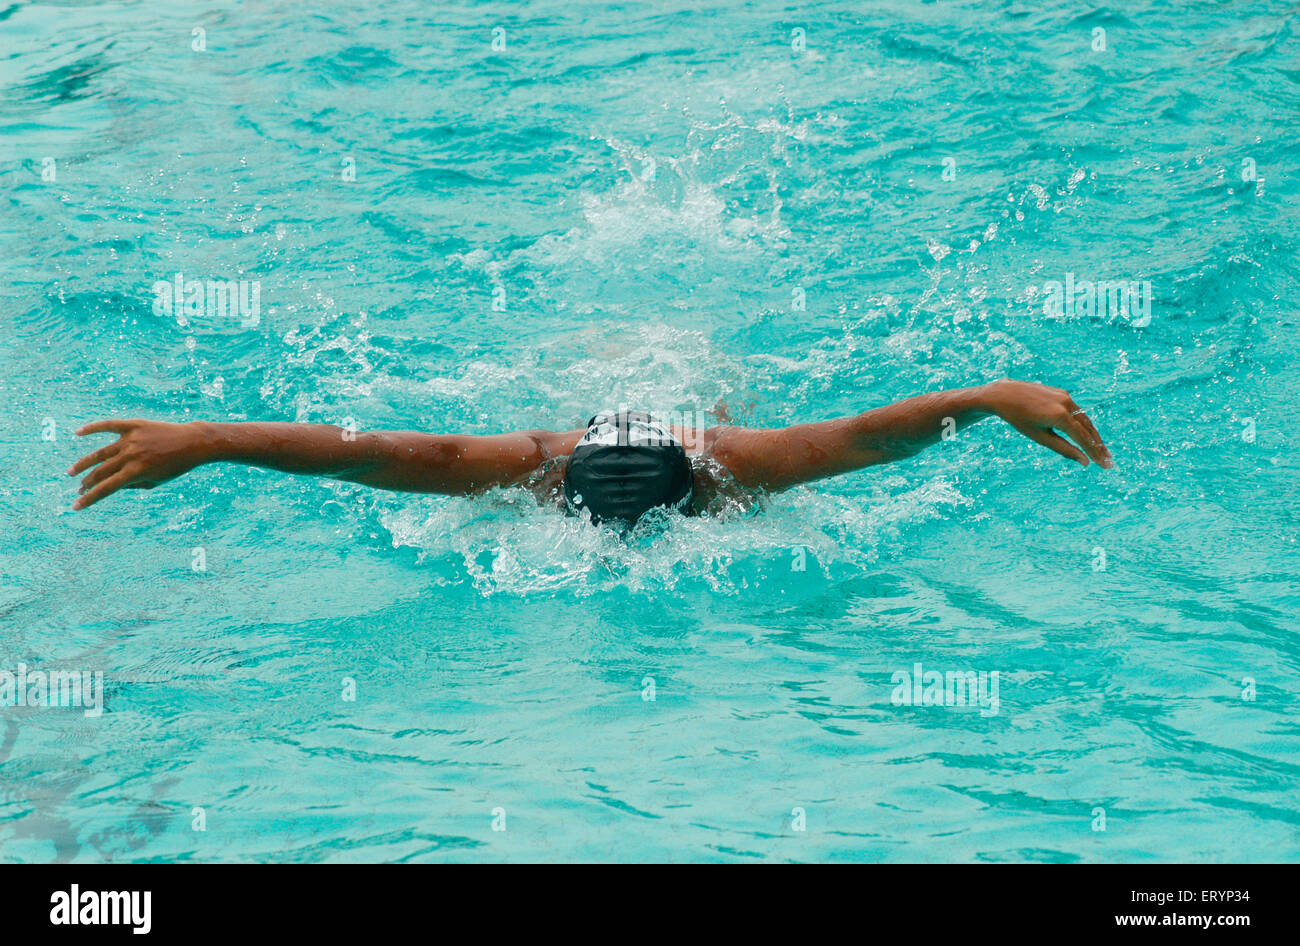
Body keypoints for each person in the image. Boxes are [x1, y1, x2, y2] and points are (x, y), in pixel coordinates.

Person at [66, 378, 1112, 525]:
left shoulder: (736, 460)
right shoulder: (518, 456)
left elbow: (867, 438)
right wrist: (202, 440)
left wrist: (987, 398)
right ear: (554, 483)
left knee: (720, 381)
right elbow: (367, 449)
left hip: (701, 423)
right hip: (583, 419)